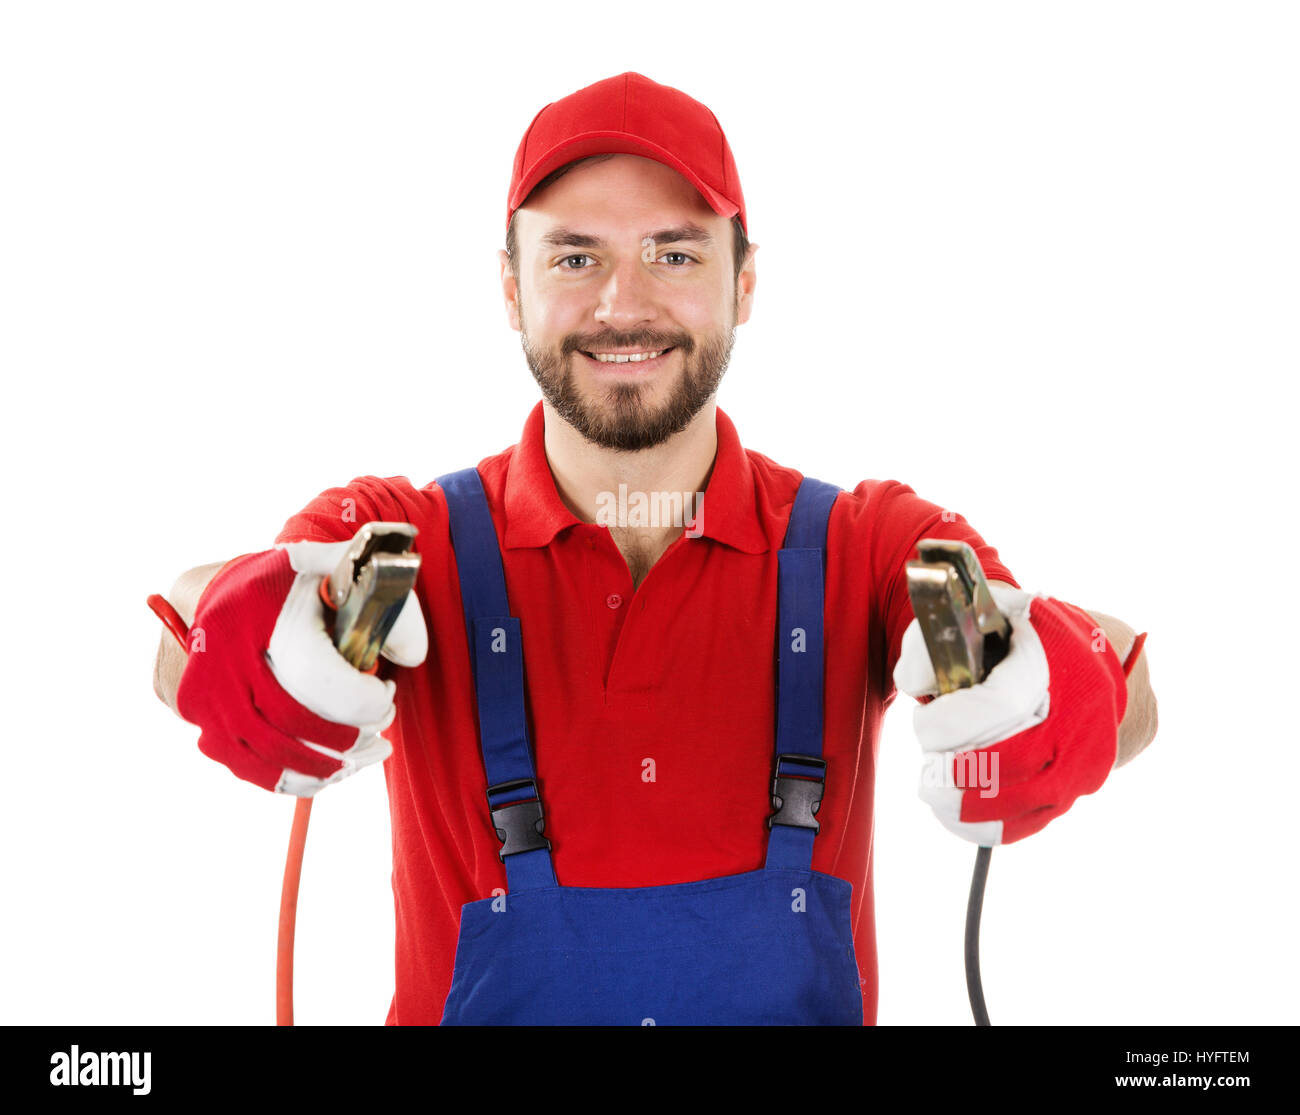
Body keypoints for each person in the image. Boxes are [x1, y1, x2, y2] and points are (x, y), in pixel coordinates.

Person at [153, 72, 1158, 1025]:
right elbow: (190, 621)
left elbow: (1114, 674)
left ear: (745, 281)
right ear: (510, 286)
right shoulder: (405, 536)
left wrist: (1057, 691)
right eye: (575, 256)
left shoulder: (862, 542)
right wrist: (246, 636)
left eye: (674, 254)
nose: (621, 304)